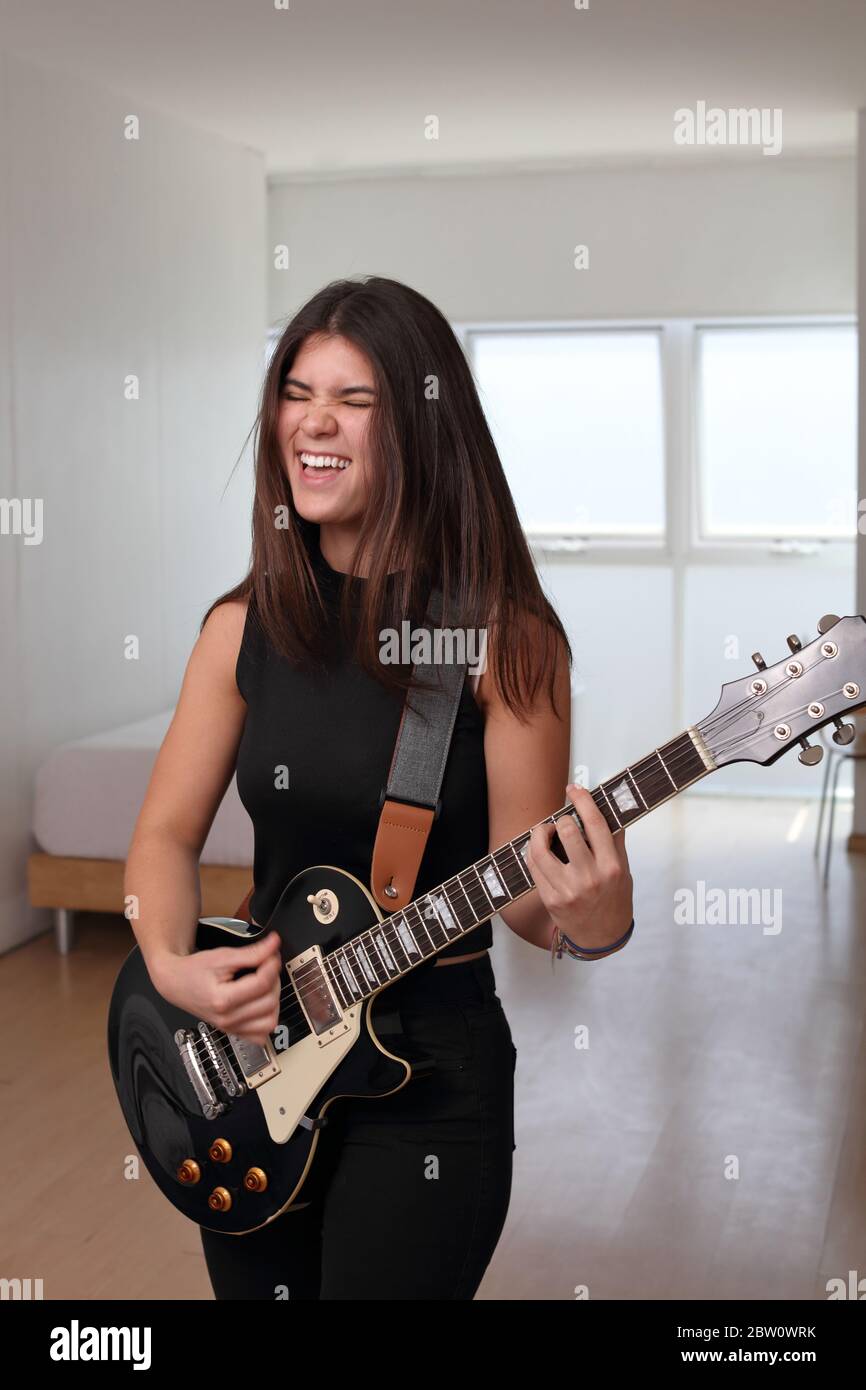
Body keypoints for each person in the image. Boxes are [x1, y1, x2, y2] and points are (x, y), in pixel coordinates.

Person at [123, 276, 635, 1300]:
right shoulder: (242, 627)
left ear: (423, 425)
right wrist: (173, 967)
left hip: (430, 1081)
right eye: (295, 391)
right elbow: (162, 841)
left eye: (354, 399)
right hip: (256, 1070)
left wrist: (599, 917)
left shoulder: (502, 637)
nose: (312, 421)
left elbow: (532, 901)